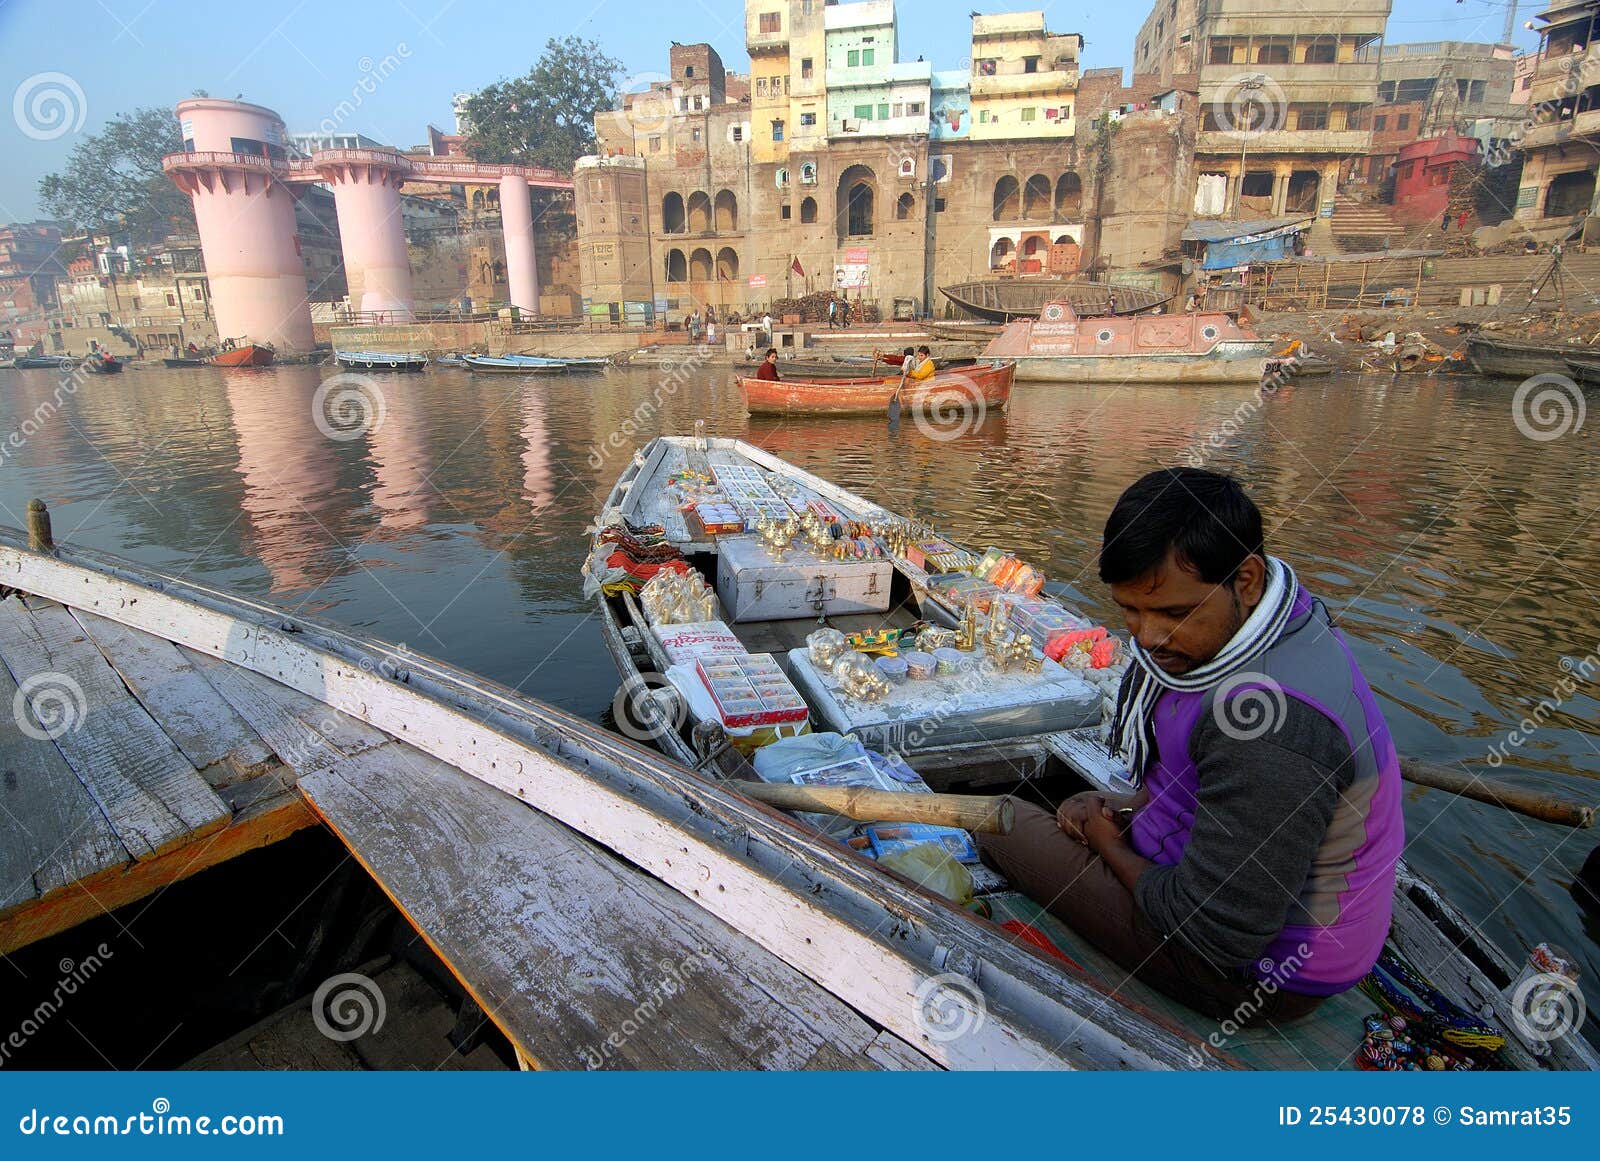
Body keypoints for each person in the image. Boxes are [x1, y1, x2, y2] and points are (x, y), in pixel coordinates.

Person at [979, 469, 1404, 1021]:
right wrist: (1126, 809)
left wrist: (1110, 842)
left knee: (1005, 823)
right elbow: (1205, 790)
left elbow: (1213, 933)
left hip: (1256, 975)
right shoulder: (1274, 623)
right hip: (1216, 888)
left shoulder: (1269, 725)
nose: (1149, 638)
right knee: (1075, 809)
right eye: (1130, 610)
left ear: (1245, 580)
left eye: (1175, 614)